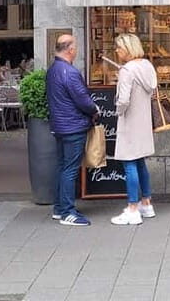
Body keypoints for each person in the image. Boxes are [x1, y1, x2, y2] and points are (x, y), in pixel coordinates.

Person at [46, 34, 99, 226]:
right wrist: (95, 109)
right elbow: (83, 100)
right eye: (75, 47)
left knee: (62, 167)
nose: (76, 50)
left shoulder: (52, 70)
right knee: (70, 170)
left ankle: (60, 209)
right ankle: (68, 212)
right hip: (73, 126)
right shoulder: (69, 72)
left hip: (60, 126)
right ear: (70, 49)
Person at [109, 33, 157, 226]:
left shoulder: (127, 70)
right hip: (144, 122)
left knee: (129, 164)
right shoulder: (147, 66)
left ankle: (132, 209)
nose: (117, 51)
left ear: (127, 49)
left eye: (119, 47)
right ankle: (147, 203)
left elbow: (123, 100)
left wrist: (117, 110)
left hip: (129, 122)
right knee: (140, 163)